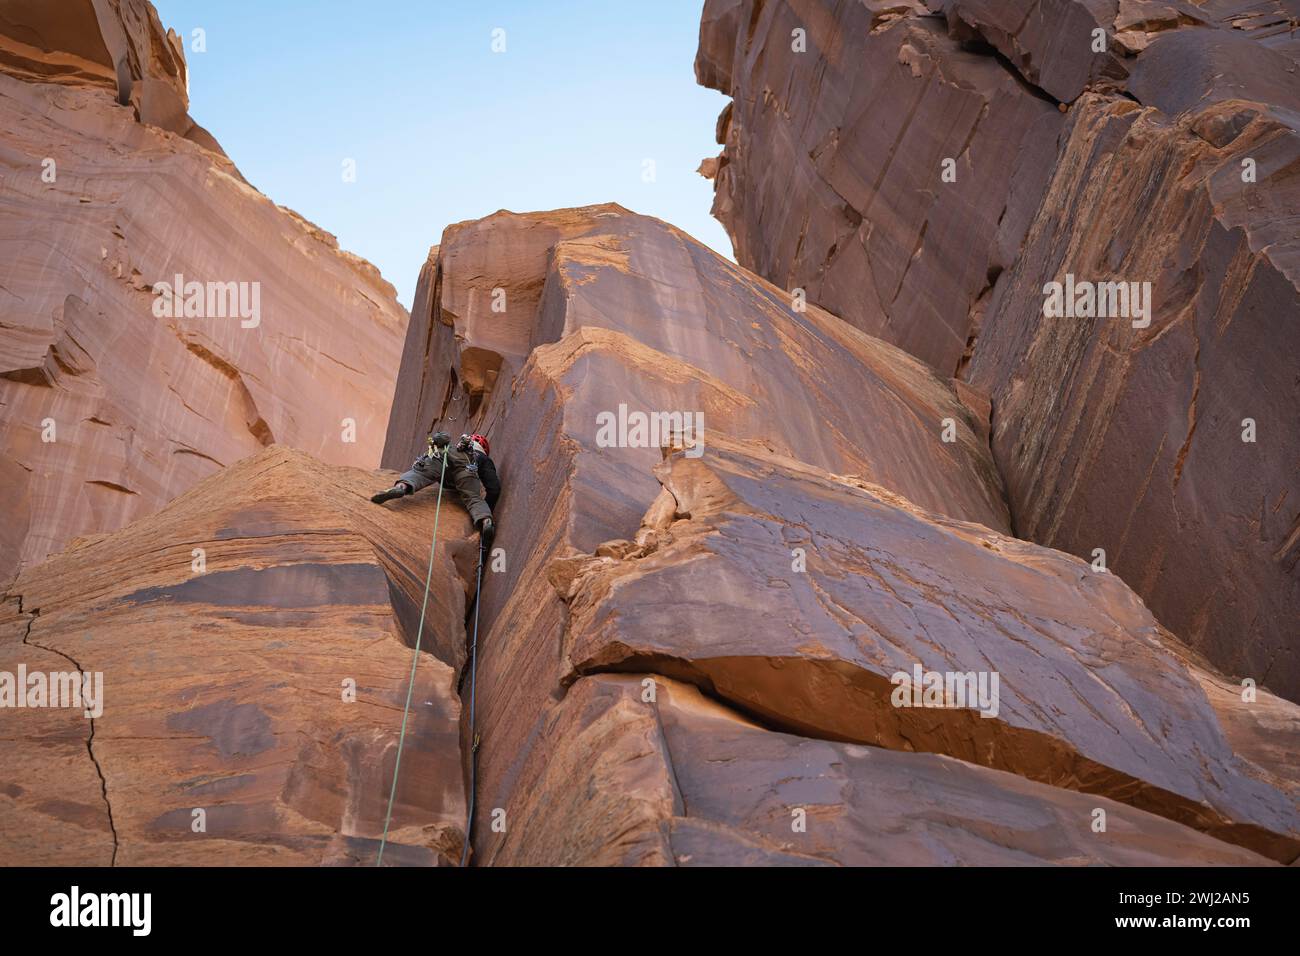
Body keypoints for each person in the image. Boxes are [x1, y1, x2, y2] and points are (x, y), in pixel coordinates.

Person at [371, 432, 499, 547]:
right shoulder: (483, 458)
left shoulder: (454, 447)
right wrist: (488, 508)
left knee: (419, 475)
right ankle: (485, 521)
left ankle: (401, 487)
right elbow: (494, 489)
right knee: (473, 499)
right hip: (466, 467)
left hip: (441, 456)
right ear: (484, 449)